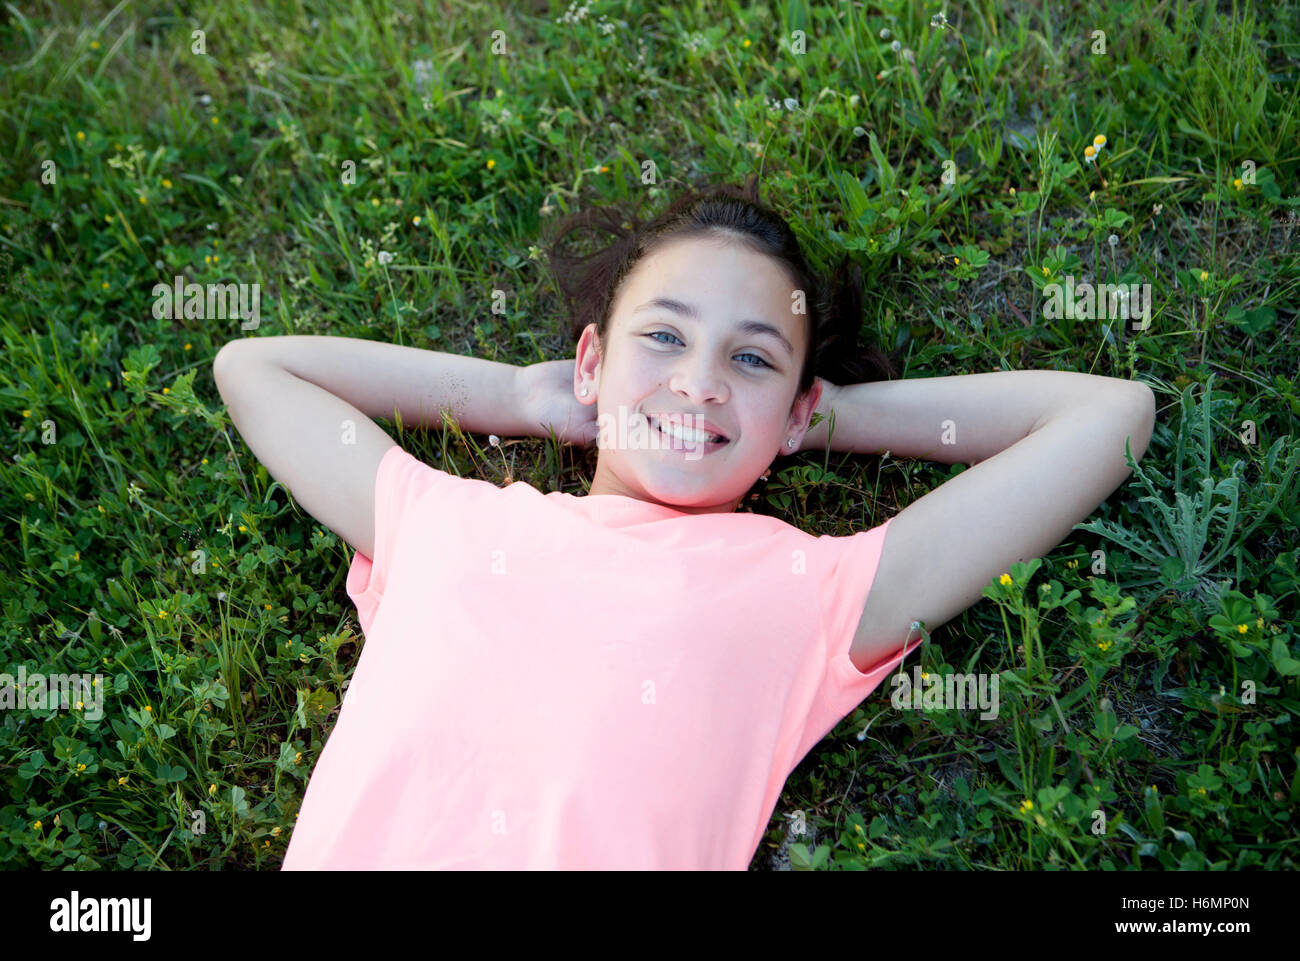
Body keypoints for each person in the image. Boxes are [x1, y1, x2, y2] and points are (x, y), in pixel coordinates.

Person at [212, 174, 1155, 870]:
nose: (700, 381)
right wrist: (517, 394)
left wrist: (819, 418)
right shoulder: (441, 521)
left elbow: (1106, 419)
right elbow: (254, 371)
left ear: (795, 408)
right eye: (663, 337)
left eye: (751, 360)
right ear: (591, 363)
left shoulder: (808, 592)